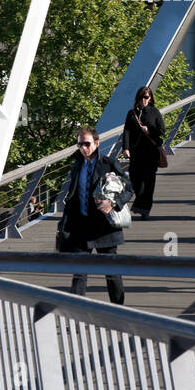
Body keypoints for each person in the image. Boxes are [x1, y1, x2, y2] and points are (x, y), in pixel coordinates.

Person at [58, 126, 133, 304]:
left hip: (104, 228)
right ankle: (76, 313)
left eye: (87, 143)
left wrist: (113, 203)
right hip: (81, 227)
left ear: (97, 143)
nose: (83, 148)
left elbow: (129, 189)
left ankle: (119, 312)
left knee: (112, 273)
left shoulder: (108, 163)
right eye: (80, 144)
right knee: (79, 275)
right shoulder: (77, 166)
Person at [121, 86, 166, 220]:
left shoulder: (155, 112)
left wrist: (149, 130)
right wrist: (125, 148)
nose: (143, 100)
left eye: (146, 97)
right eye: (141, 97)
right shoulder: (132, 113)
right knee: (135, 179)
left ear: (150, 98)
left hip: (151, 153)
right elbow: (127, 131)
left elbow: (162, 132)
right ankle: (140, 204)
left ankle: (145, 209)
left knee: (148, 182)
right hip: (136, 152)